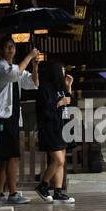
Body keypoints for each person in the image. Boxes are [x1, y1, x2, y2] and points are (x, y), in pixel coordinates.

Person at [0, 39, 39, 205]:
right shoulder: (1, 66)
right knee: (11, 155)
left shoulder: (16, 68)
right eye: (7, 46)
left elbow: (33, 83)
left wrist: (34, 67)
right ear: (1, 50)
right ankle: (12, 192)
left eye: (12, 46)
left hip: (13, 116)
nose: (10, 49)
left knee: (6, 157)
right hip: (3, 116)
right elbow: (14, 73)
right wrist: (29, 56)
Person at [34, 61, 75, 203]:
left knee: (60, 162)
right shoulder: (44, 89)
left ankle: (58, 191)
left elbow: (70, 104)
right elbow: (44, 111)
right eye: (62, 71)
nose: (64, 74)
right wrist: (59, 103)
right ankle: (43, 185)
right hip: (50, 129)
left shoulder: (61, 87)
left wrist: (69, 88)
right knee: (58, 160)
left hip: (62, 127)